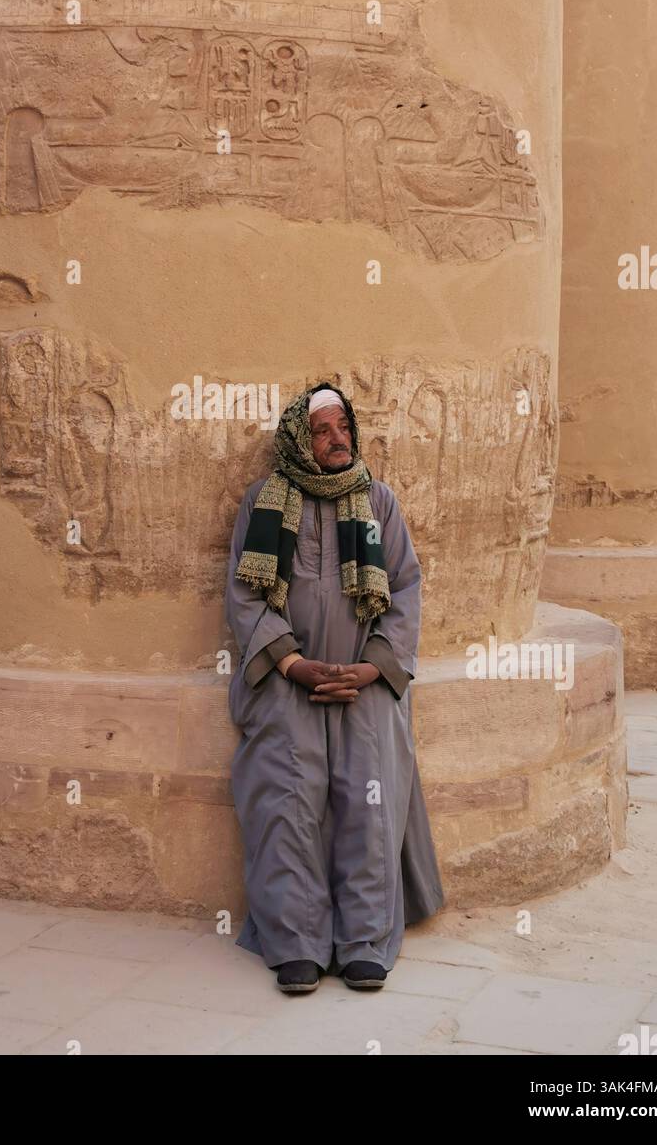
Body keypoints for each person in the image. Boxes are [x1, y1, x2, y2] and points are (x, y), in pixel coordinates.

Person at [225, 381, 445, 994]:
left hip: (365, 680)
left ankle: (365, 942)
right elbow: (244, 594)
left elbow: (404, 588)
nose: (336, 439)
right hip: (287, 679)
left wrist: (373, 666)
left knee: (367, 802)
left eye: (342, 426)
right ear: (301, 437)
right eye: (322, 431)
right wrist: (293, 664)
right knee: (288, 801)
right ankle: (294, 943)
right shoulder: (263, 503)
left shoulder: (378, 502)